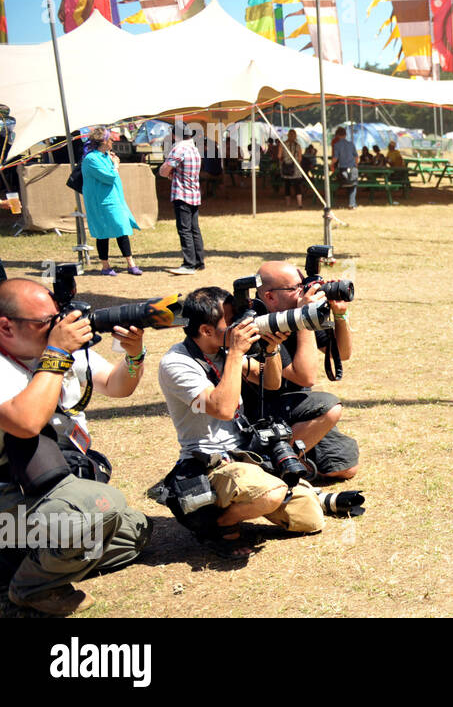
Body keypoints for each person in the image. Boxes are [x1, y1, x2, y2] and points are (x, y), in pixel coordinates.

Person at [0, 278, 153, 614]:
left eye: (56, 318)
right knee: (99, 508)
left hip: (46, 483)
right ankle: (31, 588)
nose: (57, 328)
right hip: (9, 490)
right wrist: (56, 353)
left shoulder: (56, 349)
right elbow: (25, 423)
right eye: (45, 323)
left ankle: (21, 553)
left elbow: (116, 386)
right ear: (6, 327)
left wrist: (133, 354)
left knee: (132, 531)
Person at [157, 287, 324, 555]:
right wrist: (235, 354)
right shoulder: (176, 363)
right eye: (230, 322)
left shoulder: (222, 349)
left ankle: (244, 501)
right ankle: (218, 522)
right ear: (206, 331)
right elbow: (222, 409)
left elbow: (271, 383)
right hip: (209, 462)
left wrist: (271, 349)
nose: (239, 328)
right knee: (272, 493)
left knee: (309, 519)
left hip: (245, 454)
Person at [248, 261, 358, 481]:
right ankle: (270, 464)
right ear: (269, 296)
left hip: (296, 411)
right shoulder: (257, 324)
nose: (305, 292)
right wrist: (304, 315)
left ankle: (287, 464)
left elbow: (341, 354)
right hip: (263, 415)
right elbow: (305, 376)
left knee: (345, 467)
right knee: (330, 407)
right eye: (296, 288)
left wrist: (339, 315)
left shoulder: (293, 311)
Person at [81, 127, 144, 277]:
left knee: (121, 227)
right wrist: (115, 165)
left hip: (113, 198)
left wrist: (111, 160)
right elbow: (108, 177)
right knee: (102, 232)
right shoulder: (91, 159)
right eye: (110, 139)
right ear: (103, 141)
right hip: (99, 201)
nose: (113, 142)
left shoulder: (104, 156)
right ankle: (105, 266)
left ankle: (131, 264)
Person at [160, 123, 205, 275]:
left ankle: (188, 264)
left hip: (182, 193)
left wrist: (167, 171)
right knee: (194, 229)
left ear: (175, 135)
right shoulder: (194, 148)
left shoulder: (179, 148)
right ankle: (199, 261)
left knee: (184, 230)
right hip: (194, 193)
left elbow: (164, 170)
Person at [330, 127, 359, 210]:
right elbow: (356, 157)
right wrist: (356, 165)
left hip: (343, 169)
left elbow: (335, 158)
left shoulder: (336, 145)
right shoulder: (351, 144)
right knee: (353, 184)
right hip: (352, 167)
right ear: (345, 135)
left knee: (341, 183)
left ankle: (335, 201)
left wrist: (331, 164)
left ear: (337, 135)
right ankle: (352, 203)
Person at [281, 130, 305, 208]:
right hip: (296, 168)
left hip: (286, 167)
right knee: (297, 186)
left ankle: (288, 204)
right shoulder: (297, 145)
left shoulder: (283, 144)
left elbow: (279, 156)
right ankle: (300, 204)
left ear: (288, 135)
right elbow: (300, 158)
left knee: (287, 185)